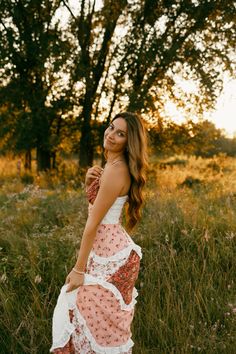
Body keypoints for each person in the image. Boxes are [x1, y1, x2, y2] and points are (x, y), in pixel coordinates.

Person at [50, 112, 148, 354]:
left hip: (110, 256)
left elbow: (93, 224)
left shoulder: (117, 170)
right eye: (111, 127)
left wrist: (78, 269)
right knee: (85, 310)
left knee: (78, 304)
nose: (111, 135)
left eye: (120, 133)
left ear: (129, 141)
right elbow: (97, 210)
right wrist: (89, 184)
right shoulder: (112, 165)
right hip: (107, 248)